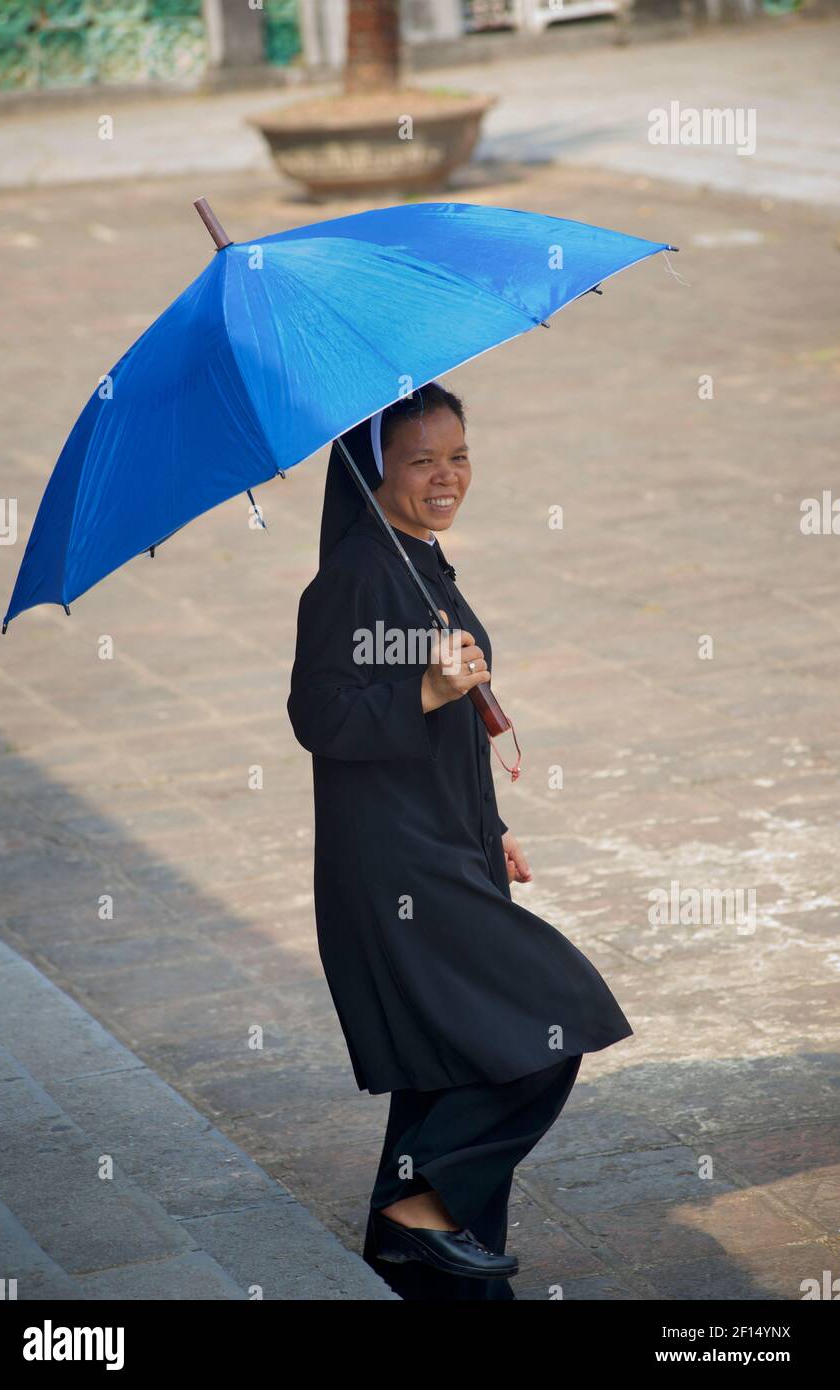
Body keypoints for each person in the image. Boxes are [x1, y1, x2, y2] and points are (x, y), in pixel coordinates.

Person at [287, 381, 633, 1300]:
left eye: (458, 456)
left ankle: (432, 1273)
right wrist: (425, 692)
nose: (446, 478)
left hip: (449, 845)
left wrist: (496, 826)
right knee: (550, 1022)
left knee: (446, 1073)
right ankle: (419, 1213)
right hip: (397, 869)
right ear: (374, 473)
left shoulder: (415, 560)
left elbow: (434, 729)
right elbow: (318, 715)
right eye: (419, 462)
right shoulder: (356, 575)